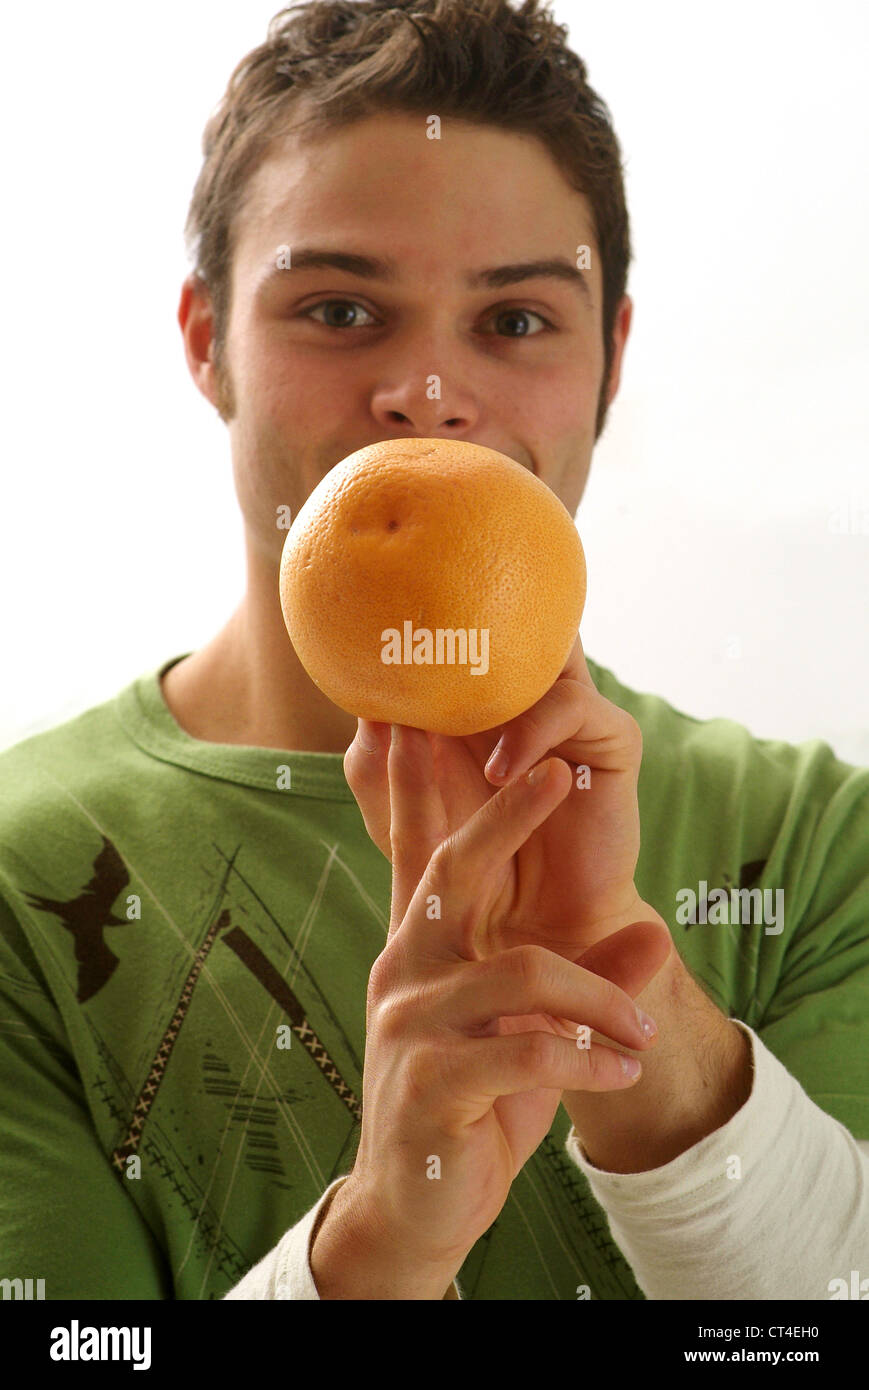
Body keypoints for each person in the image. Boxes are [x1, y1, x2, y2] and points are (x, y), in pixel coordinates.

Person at [1, 0, 867, 1302]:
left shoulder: (805, 841)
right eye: (340, 309)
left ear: (608, 364)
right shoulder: (23, 880)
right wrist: (378, 1247)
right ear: (204, 343)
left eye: (515, 320)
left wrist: (644, 1020)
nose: (423, 389)